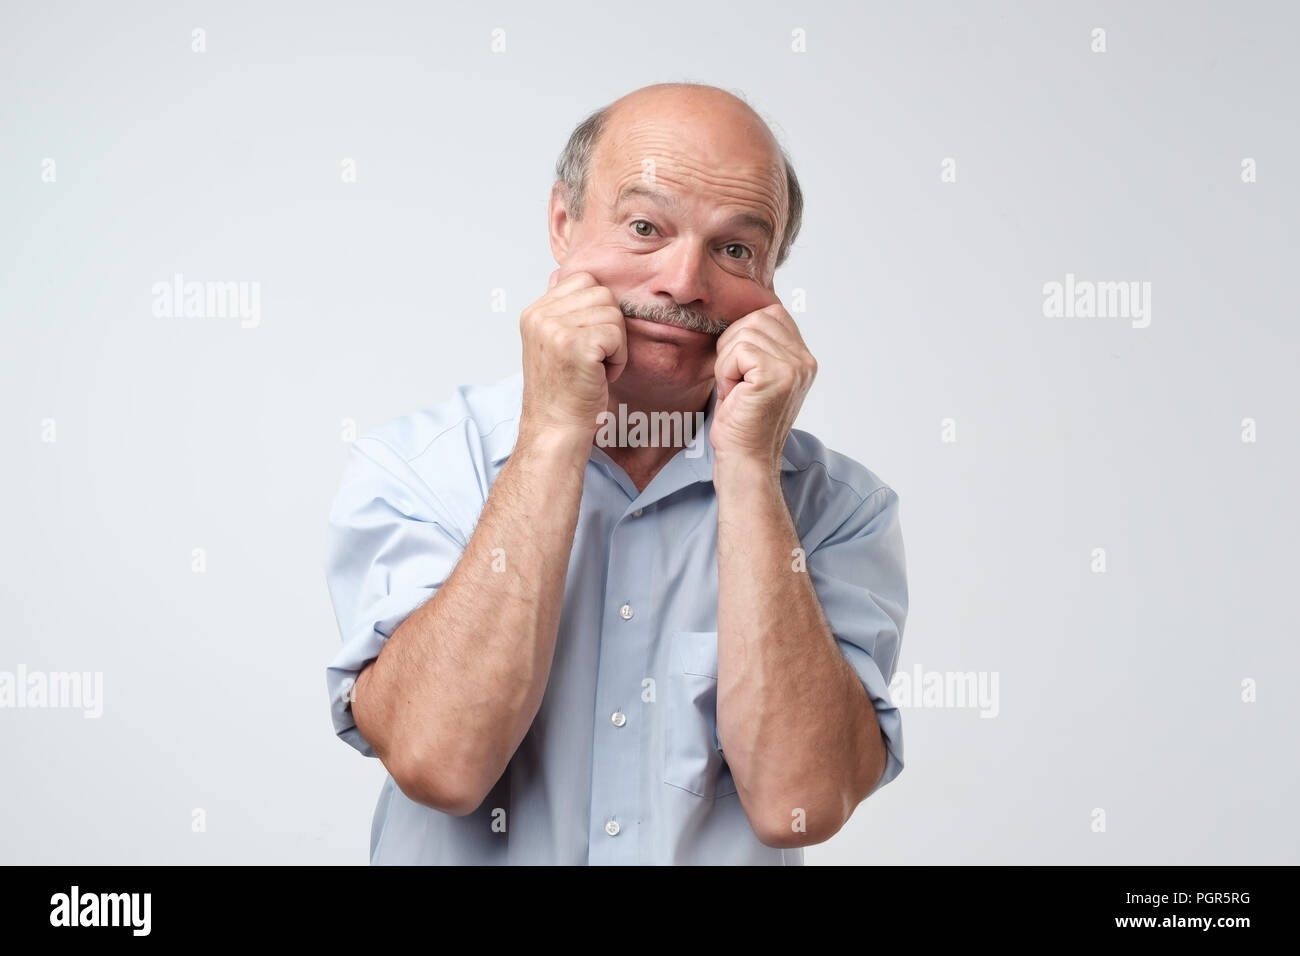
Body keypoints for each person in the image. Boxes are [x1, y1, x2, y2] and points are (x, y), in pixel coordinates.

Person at [323, 82, 908, 864]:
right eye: (644, 227)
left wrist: (749, 473)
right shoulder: (420, 470)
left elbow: (799, 804)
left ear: (772, 280)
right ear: (563, 224)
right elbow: (440, 765)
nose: (683, 282)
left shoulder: (841, 511)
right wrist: (553, 433)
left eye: (735, 248)